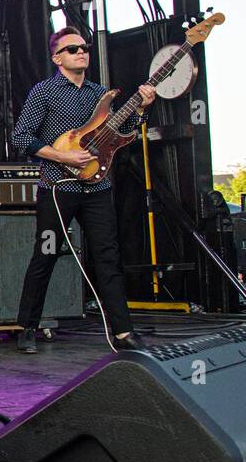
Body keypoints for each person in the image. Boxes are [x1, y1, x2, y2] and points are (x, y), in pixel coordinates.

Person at [11, 27, 156, 354]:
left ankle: (123, 333)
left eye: (84, 47)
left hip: (97, 187)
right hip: (57, 186)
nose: (81, 52)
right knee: (46, 255)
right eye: (73, 48)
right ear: (57, 58)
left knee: (108, 257)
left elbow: (124, 133)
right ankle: (28, 327)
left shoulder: (100, 93)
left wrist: (142, 109)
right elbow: (21, 138)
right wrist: (62, 155)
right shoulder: (44, 92)